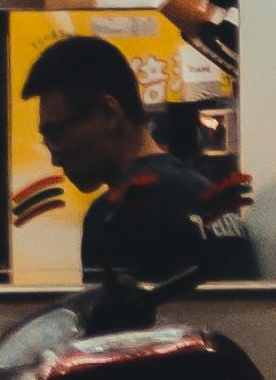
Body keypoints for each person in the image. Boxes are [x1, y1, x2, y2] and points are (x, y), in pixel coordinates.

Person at [25, 32, 253, 280]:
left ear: (109, 113)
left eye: (56, 135)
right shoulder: (210, 197)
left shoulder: (117, 213)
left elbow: (113, 319)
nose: (55, 159)